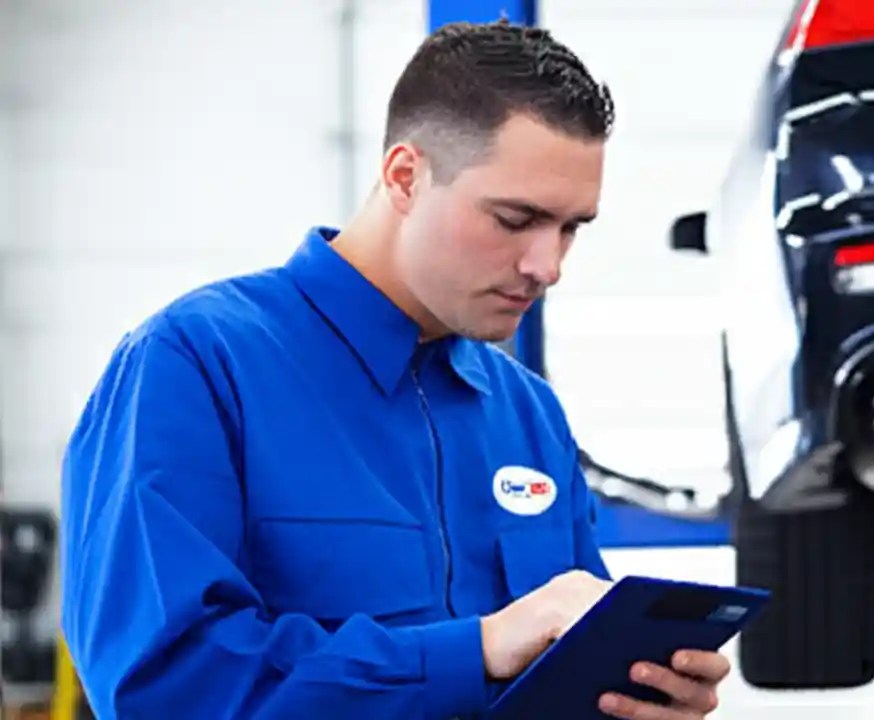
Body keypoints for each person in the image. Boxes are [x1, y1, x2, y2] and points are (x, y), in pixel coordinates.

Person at [59, 20, 730, 720]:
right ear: (405, 176)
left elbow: (568, 678)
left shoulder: (525, 412)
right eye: (515, 218)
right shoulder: (196, 366)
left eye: (570, 227)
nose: (547, 265)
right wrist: (476, 650)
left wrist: (641, 693)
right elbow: (165, 690)